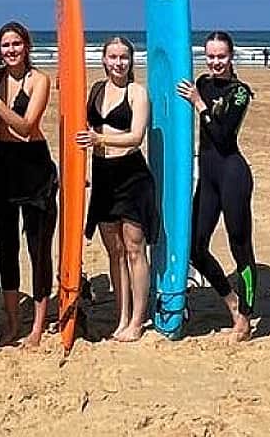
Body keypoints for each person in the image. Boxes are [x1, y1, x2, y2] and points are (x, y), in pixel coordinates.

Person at [0, 21, 58, 349]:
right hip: (3, 165)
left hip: (34, 166)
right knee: (5, 248)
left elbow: (24, 125)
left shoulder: (39, 81)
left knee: (38, 249)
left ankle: (36, 326)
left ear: (27, 46)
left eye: (16, 44)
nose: (11, 50)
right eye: (5, 46)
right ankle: (12, 321)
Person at [176, 31, 256, 343]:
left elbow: (223, 137)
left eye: (221, 56)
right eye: (210, 56)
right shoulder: (203, 82)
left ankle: (246, 318)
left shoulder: (239, 92)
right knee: (196, 248)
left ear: (231, 56)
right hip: (207, 174)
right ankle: (231, 302)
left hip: (232, 174)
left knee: (240, 246)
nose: (215, 62)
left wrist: (198, 104)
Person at [75, 36, 156, 342]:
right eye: (113, 57)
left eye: (124, 57)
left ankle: (137, 320)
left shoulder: (137, 92)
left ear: (131, 61)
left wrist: (100, 140)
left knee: (135, 248)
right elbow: (82, 126)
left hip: (131, 176)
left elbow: (136, 137)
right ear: (104, 59)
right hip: (103, 176)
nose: (119, 62)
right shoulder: (96, 89)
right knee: (114, 252)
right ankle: (121, 316)